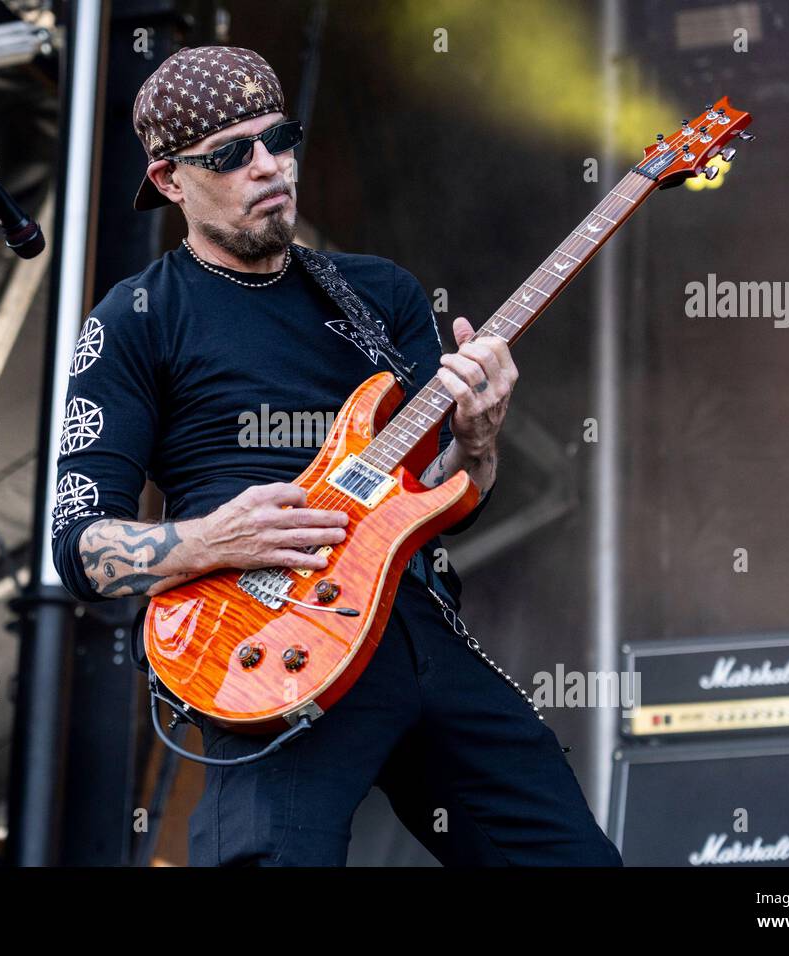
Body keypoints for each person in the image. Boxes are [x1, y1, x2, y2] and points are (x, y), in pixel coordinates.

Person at [50, 45, 621, 867]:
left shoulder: (376, 291)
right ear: (171, 180)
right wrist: (213, 540)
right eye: (230, 154)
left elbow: (442, 498)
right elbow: (80, 548)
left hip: (414, 624)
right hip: (267, 636)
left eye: (279, 138)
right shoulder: (136, 317)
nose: (269, 166)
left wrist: (479, 438)